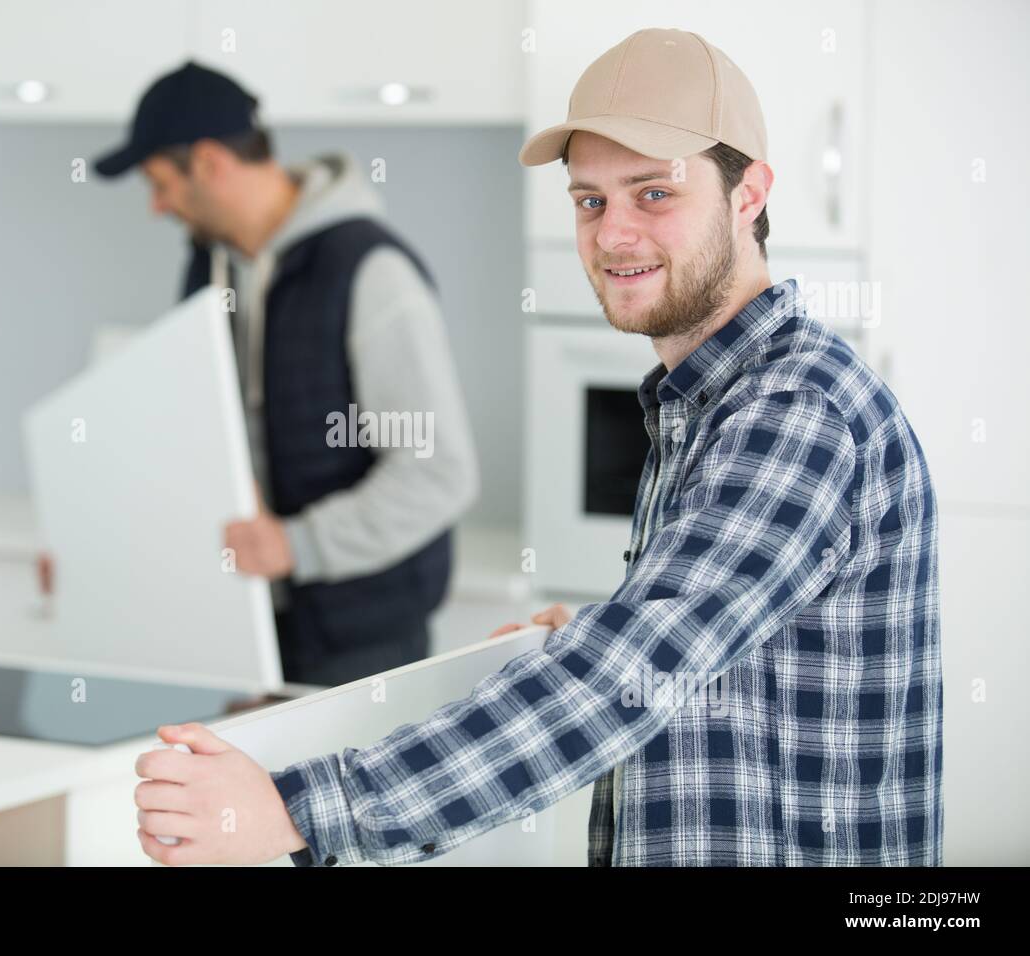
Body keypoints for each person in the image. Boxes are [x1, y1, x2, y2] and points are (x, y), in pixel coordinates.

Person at [132, 29, 942, 866]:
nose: (614, 234)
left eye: (653, 193)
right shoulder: (708, 402)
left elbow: (624, 678)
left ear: (749, 195)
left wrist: (298, 811)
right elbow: (702, 647)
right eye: (590, 200)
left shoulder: (795, 412)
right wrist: (597, 631)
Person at [94, 62, 479, 686]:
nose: (155, 206)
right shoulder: (210, 269)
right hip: (243, 622)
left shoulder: (370, 272)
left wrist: (296, 546)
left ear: (211, 163)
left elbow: (439, 474)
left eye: (161, 183)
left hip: (358, 645)